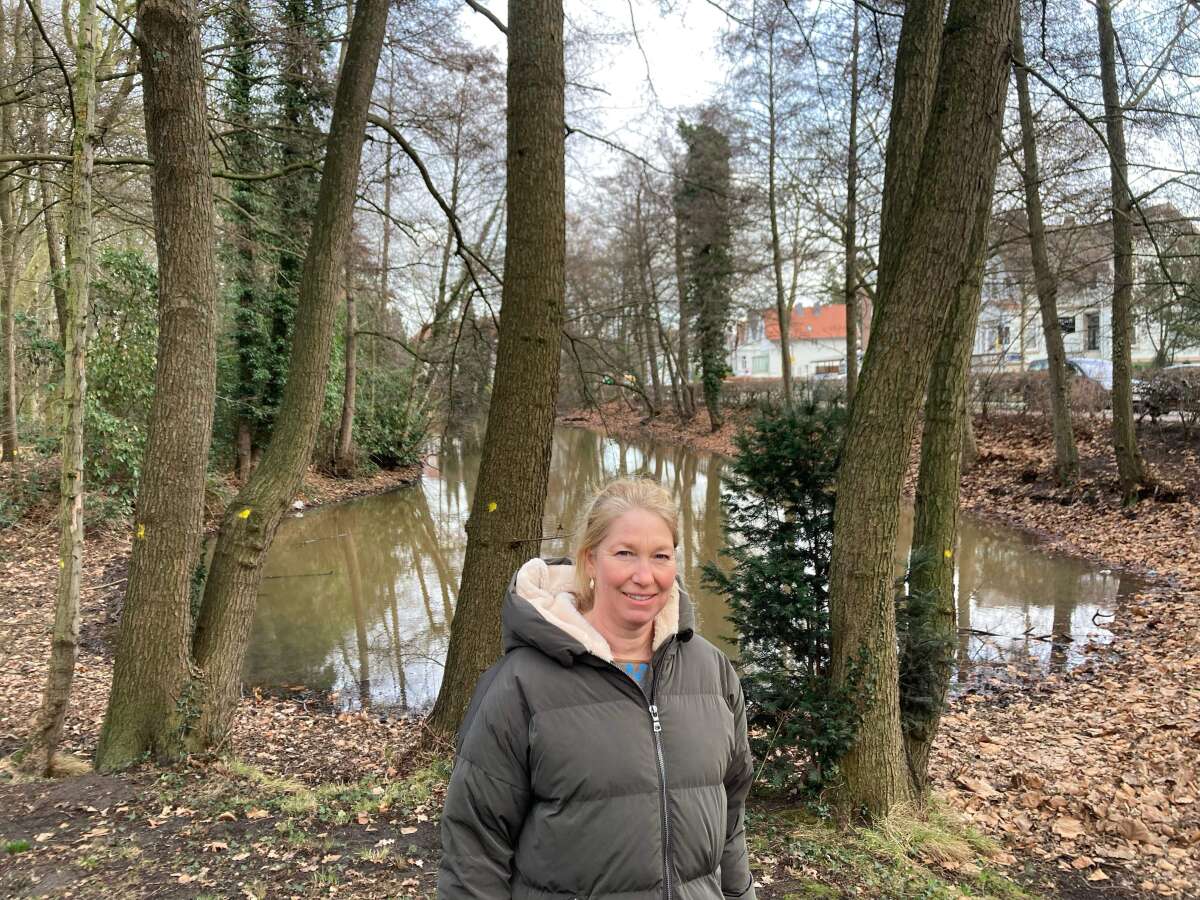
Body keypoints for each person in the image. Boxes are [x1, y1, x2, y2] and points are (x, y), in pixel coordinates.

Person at [438, 478, 756, 900]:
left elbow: (730, 820)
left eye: (660, 556)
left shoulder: (711, 672)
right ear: (590, 560)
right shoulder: (521, 684)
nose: (644, 576)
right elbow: (473, 851)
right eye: (625, 553)